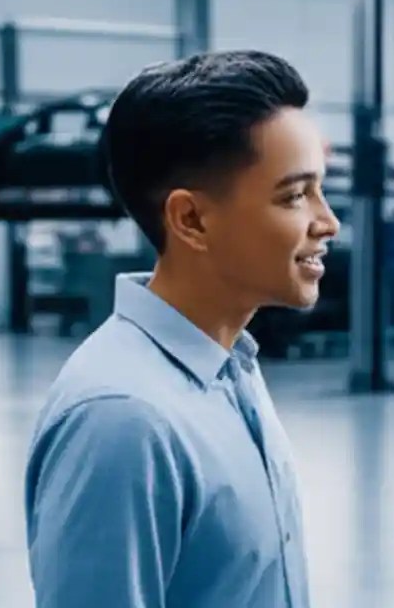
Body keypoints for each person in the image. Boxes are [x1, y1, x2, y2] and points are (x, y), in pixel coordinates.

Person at [24, 50, 339, 607]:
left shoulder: (230, 366)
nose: (327, 221)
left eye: (320, 189)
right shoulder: (123, 419)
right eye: (294, 195)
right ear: (191, 220)